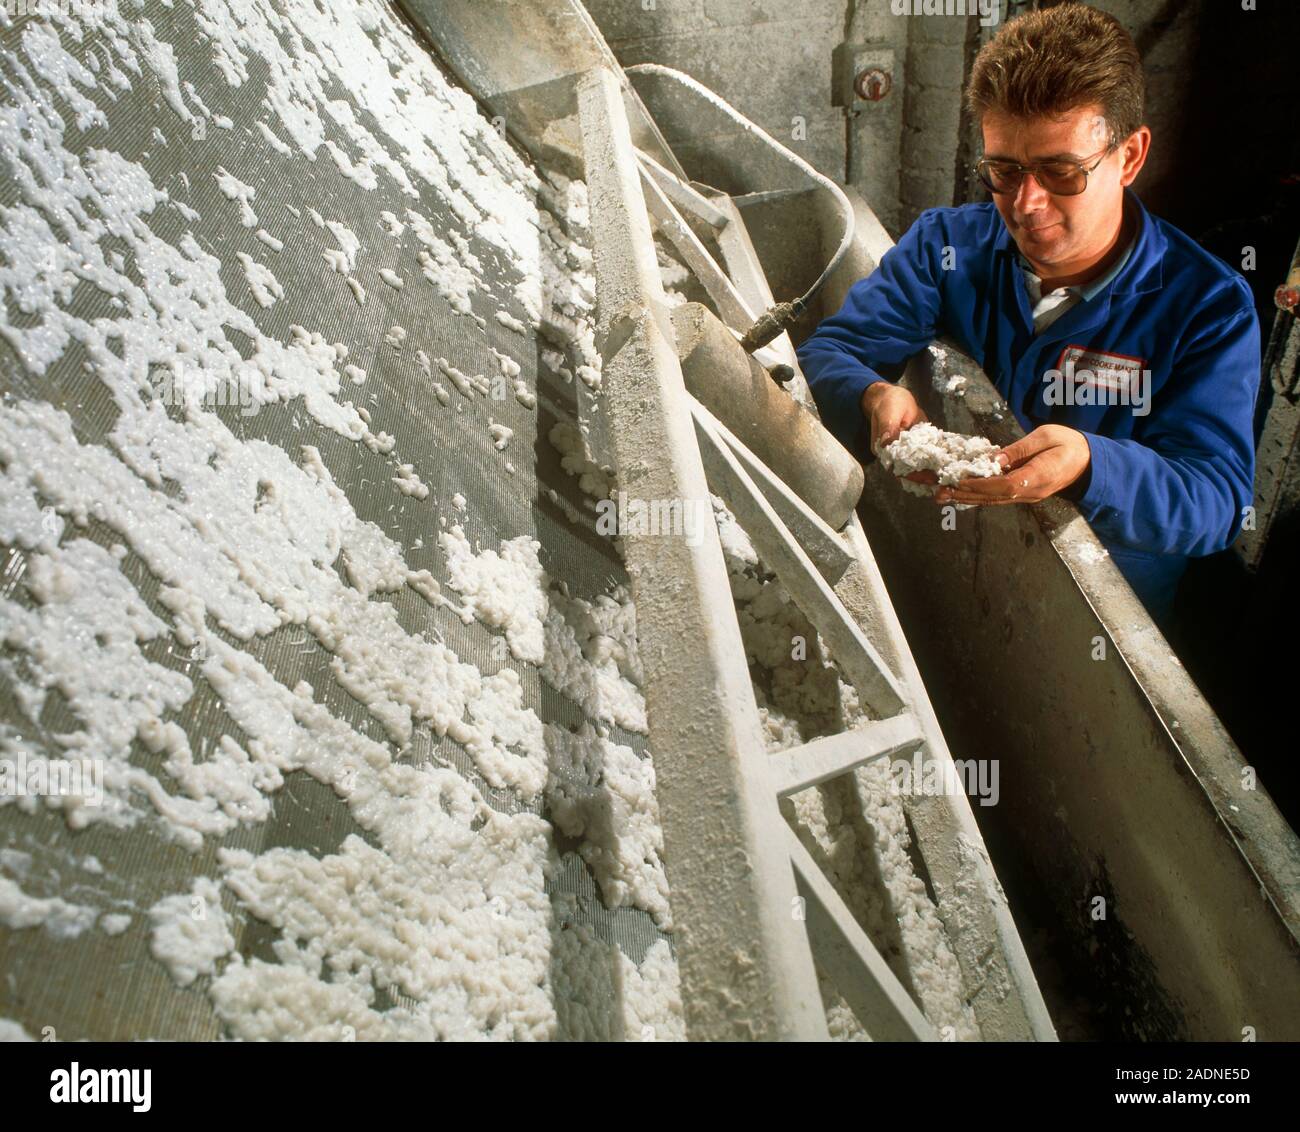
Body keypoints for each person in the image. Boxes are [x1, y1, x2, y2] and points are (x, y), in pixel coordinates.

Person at [796, 3, 1259, 623]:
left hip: (1101, 613)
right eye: (1004, 170)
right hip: (962, 563)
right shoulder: (946, 247)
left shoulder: (1208, 307)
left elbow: (1217, 501)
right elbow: (829, 355)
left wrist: (1092, 465)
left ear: (1129, 156)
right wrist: (870, 394)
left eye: (1061, 171)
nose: (1027, 203)